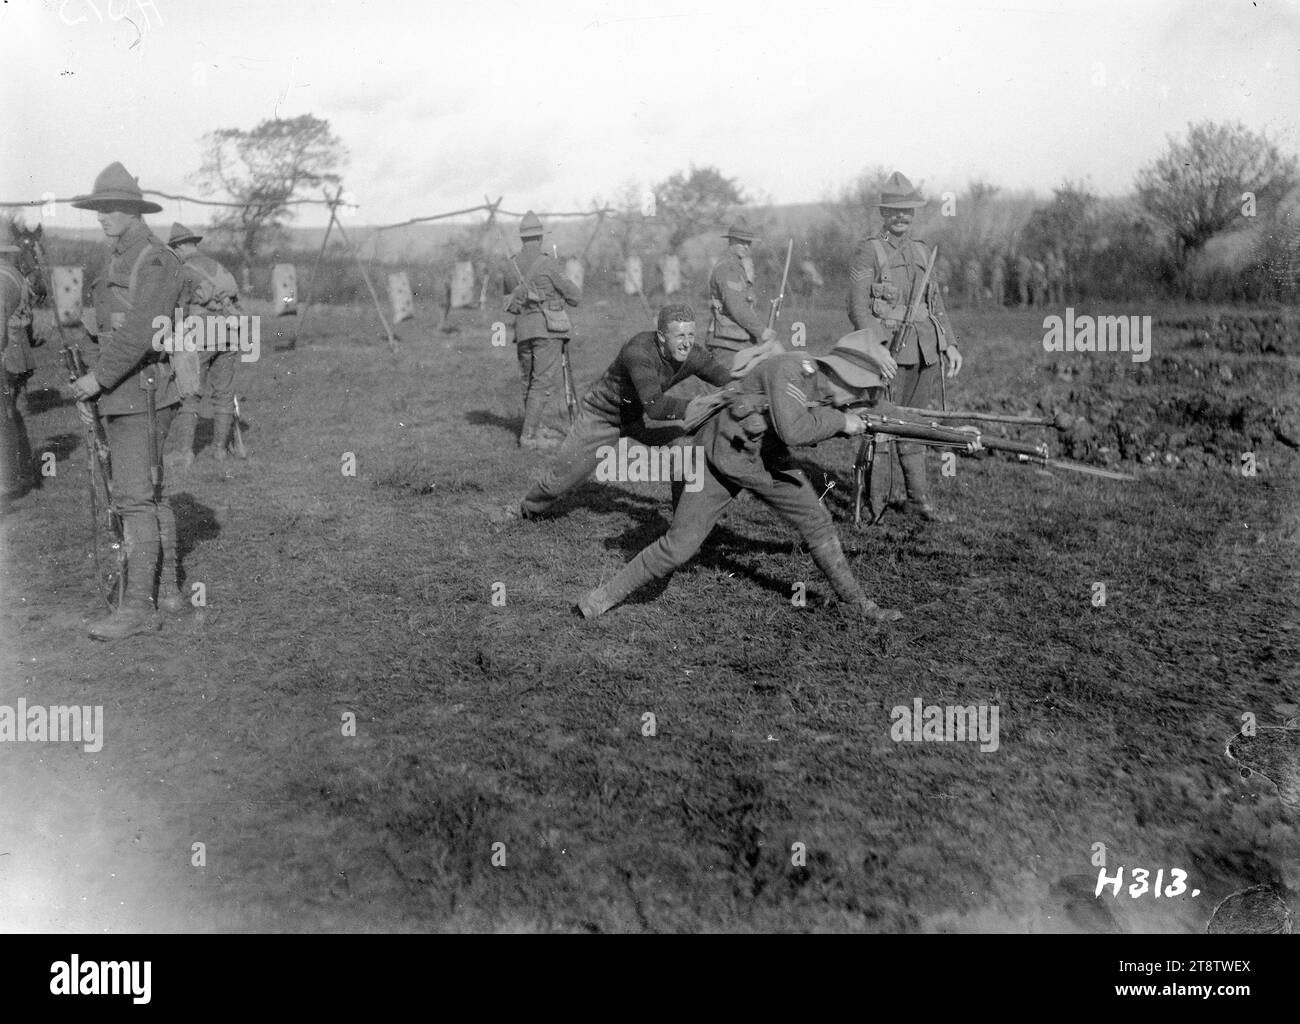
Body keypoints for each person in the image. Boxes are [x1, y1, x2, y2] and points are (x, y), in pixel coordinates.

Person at [576, 328, 903, 623]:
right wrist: (841, 423)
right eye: (863, 389)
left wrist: (950, 433)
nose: (864, 398)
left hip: (767, 461)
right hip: (718, 459)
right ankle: (600, 598)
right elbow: (793, 429)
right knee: (680, 546)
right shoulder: (792, 371)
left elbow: (879, 413)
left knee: (817, 521)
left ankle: (861, 604)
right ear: (846, 375)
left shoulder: (828, 387)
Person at [67, 162, 187, 640]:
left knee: (135, 498)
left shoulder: (155, 260)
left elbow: (140, 332)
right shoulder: (115, 258)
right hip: (125, 393)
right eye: (98, 209)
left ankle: (137, 607)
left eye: (110, 208)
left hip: (144, 393)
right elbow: (106, 323)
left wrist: (97, 378)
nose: (101, 217)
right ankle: (172, 590)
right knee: (149, 494)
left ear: (135, 212)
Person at [518, 303, 764, 519]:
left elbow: (725, 379)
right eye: (679, 336)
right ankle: (525, 509)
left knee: (682, 450)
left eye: (691, 334)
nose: (687, 342)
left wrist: (744, 391)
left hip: (639, 417)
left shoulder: (694, 353)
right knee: (562, 479)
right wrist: (694, 405)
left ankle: (682, 521)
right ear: (661, 337)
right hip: (603, 415)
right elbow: (656, 408)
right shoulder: (639, 352)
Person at [846, 172, 963, 523]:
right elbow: (857, 309)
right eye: (895, 211)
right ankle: (875, 505)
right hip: (889, 352)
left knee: (916, 424)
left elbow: (936, 302)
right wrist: (878, 349)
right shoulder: (869, 250)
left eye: (907, 211)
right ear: (883, 213)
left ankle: (917, 501)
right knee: (882, 427)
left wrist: (951, 344)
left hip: (925, 348)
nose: (901, 217)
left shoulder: (922, 249)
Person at [164, 222, 242, 468]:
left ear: (178, 247)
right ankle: (219, 451)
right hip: (230, 332)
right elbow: (235, 299)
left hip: (200, 333)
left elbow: (178, 306)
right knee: (224, 393)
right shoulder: (219, 266)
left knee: (189, 392)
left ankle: (184, 453)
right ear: (194, 243)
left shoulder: (184, 269)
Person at [504, 210, 581, 449]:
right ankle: (529, 437)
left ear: (522, 238)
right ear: (539, 238)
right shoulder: (548, 262)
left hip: (523, 330)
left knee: (528, 381)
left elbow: (508, 304)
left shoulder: (511, 266)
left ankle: (534, 429)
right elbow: (575, 297)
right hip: (547, 330)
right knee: (542, 382)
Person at [707, 218, 780, 369]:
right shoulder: (727, 268)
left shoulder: (738, 267)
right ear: (731, 241)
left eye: (749, 242)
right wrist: (761, 331)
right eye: (741, 241)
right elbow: (737, 306)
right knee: (737, 389)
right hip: (727, 344)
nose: (746, 246)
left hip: (739, 340)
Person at [0, 221, 39, 501]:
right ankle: (20, 471)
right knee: (10, 412)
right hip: (18, 349)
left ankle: (13, 476)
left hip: (9, 351)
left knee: (7, 415)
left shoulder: (4, 277)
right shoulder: (15, 274)